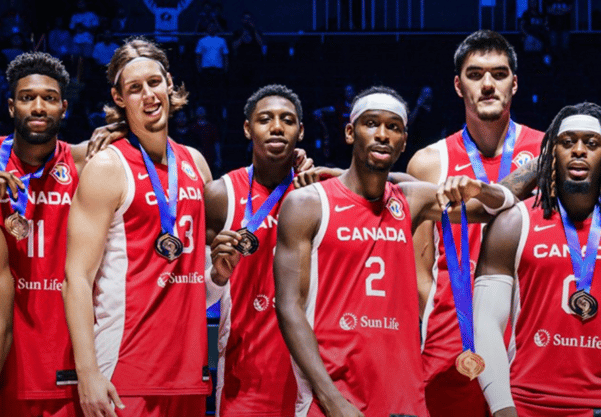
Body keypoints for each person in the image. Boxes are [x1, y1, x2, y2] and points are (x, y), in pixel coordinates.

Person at [274, 86, 515, 416]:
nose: (383, 134)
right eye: (371, 123)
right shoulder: (307, 203)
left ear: (404, 141)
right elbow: (289, 308)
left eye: (394, 127)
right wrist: (331, 399)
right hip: (334, 399)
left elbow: (492, 209)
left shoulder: (411, 199)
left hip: (404, 398)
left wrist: (483, 187)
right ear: (350, 132)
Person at [474, 102, 601, 417]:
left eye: (591, 144)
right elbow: (485, 324)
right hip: (526, 404)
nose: (579, 150)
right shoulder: (513, 224)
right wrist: (502, 408)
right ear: (551, 154)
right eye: (567, 143)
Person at [63, 38, 213, 417]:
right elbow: (76, 278)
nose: (148, 94)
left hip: (190, 372)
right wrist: (88, 373)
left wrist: (222, 273)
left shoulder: (196, 164)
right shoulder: (107, 167)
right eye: (135, 88)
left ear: (170, 85)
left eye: (154, 82)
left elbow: (202, 281)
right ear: (118, 97)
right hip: (126, 369)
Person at [406, 29, 544, 417]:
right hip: (452, 336)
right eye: (475, 74)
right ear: (457, 84)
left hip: (529, 327)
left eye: (499, 74)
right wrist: (456, 318)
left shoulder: (547, 152)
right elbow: (420, 266)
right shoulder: (429, 162)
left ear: (514, 84)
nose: (487, 84)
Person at [0, 52, 122, 417]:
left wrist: (119, 127)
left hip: (70, 358)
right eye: (27, 98)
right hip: (7, 352)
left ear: (64, 107)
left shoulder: (87, 162)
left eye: (49, 99)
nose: (38, 107)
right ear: (11, 106)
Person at [204, 84, 306, 415]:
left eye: (287, 120)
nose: (277, 127)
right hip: (244, 375)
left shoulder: (318, 192)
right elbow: (197, 294)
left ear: (300, 131)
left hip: (311, 375)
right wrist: (218, 276)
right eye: (265, 119)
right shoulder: (221, 195)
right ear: (248, 128)